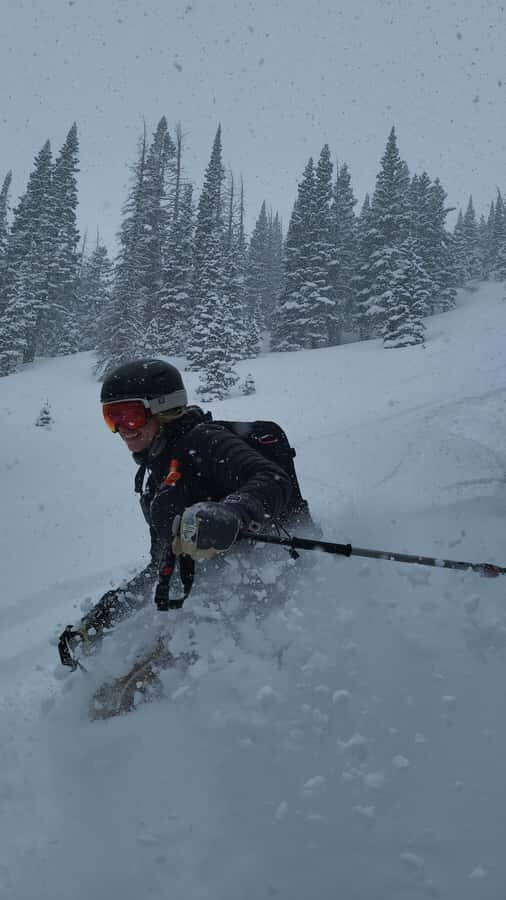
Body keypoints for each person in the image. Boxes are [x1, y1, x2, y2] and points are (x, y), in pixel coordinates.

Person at [59, 358, 309, 667]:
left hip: (269, 601)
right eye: (112, 418)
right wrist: (101, 618)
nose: (122, 429)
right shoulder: (157, 477)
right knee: (123, 683)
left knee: (141, 684)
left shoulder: (204, 441)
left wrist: (232, 512)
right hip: (211, 610)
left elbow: (272, 479)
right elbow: (161, 566)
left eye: (131, 416)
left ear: (163, 408)